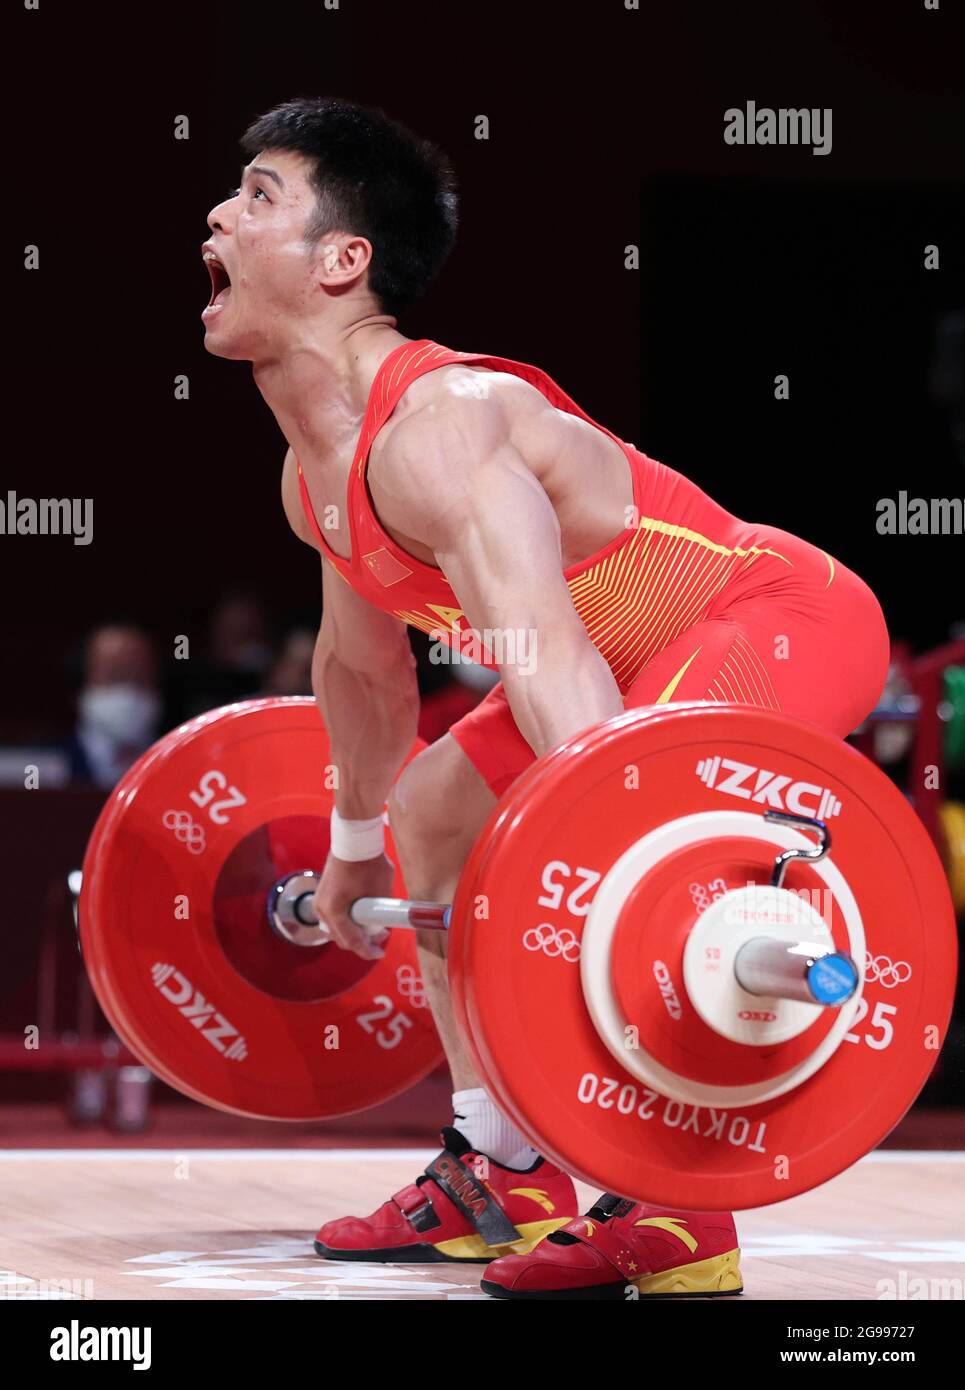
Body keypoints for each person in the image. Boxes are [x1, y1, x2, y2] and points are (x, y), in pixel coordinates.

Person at [200, 97, 890, 1299]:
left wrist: (624, 867)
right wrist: (359, 846)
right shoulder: (314, 477)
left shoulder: (441, 424)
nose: (217, 212)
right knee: (435, 815)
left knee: (593, 848)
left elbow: (545, 652)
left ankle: (678, 1203)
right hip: (609, 663)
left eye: (259, 196)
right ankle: (500, 1172)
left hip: (775, 620)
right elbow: (361, 669)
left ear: (342, 261)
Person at [68, 625, 162, 788]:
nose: (129, 691)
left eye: (139, 677)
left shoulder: (178, 766)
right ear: (83, 682)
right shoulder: (47, 766)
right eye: (115, 676)